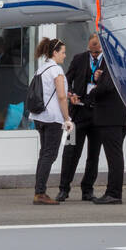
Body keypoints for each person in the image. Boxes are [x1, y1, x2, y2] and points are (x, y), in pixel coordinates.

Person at [57, 35, 102, 202]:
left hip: (98, 114)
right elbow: (66, 80)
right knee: (70, 151)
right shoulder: (79, 59)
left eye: (97, 52)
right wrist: (70, 94)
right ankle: (64, 188)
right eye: (92, 52)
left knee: (94, 153)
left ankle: (87, 189)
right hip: (77, 114)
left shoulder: (107, 62)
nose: (94, 55)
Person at [29, 37, 74, 205]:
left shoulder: (41, 69)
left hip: (39, 116)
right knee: (50, 154)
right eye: (62, 52)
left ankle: (39, 191)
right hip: (53, 117)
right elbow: (61, 96)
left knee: (44, 154)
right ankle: (40, 193)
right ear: (55, 53)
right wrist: (67, 118)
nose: (64, 55)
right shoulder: (57, 70)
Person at [87, 44, 126, 205]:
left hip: (111, 117)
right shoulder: (118, 59)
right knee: (116, 156)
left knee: (114, 157)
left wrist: (90, 93)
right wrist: (99, 78)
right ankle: (114, 192)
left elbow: (107, 86)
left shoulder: (111, 59)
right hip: (118, 116)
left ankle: (113, 193)